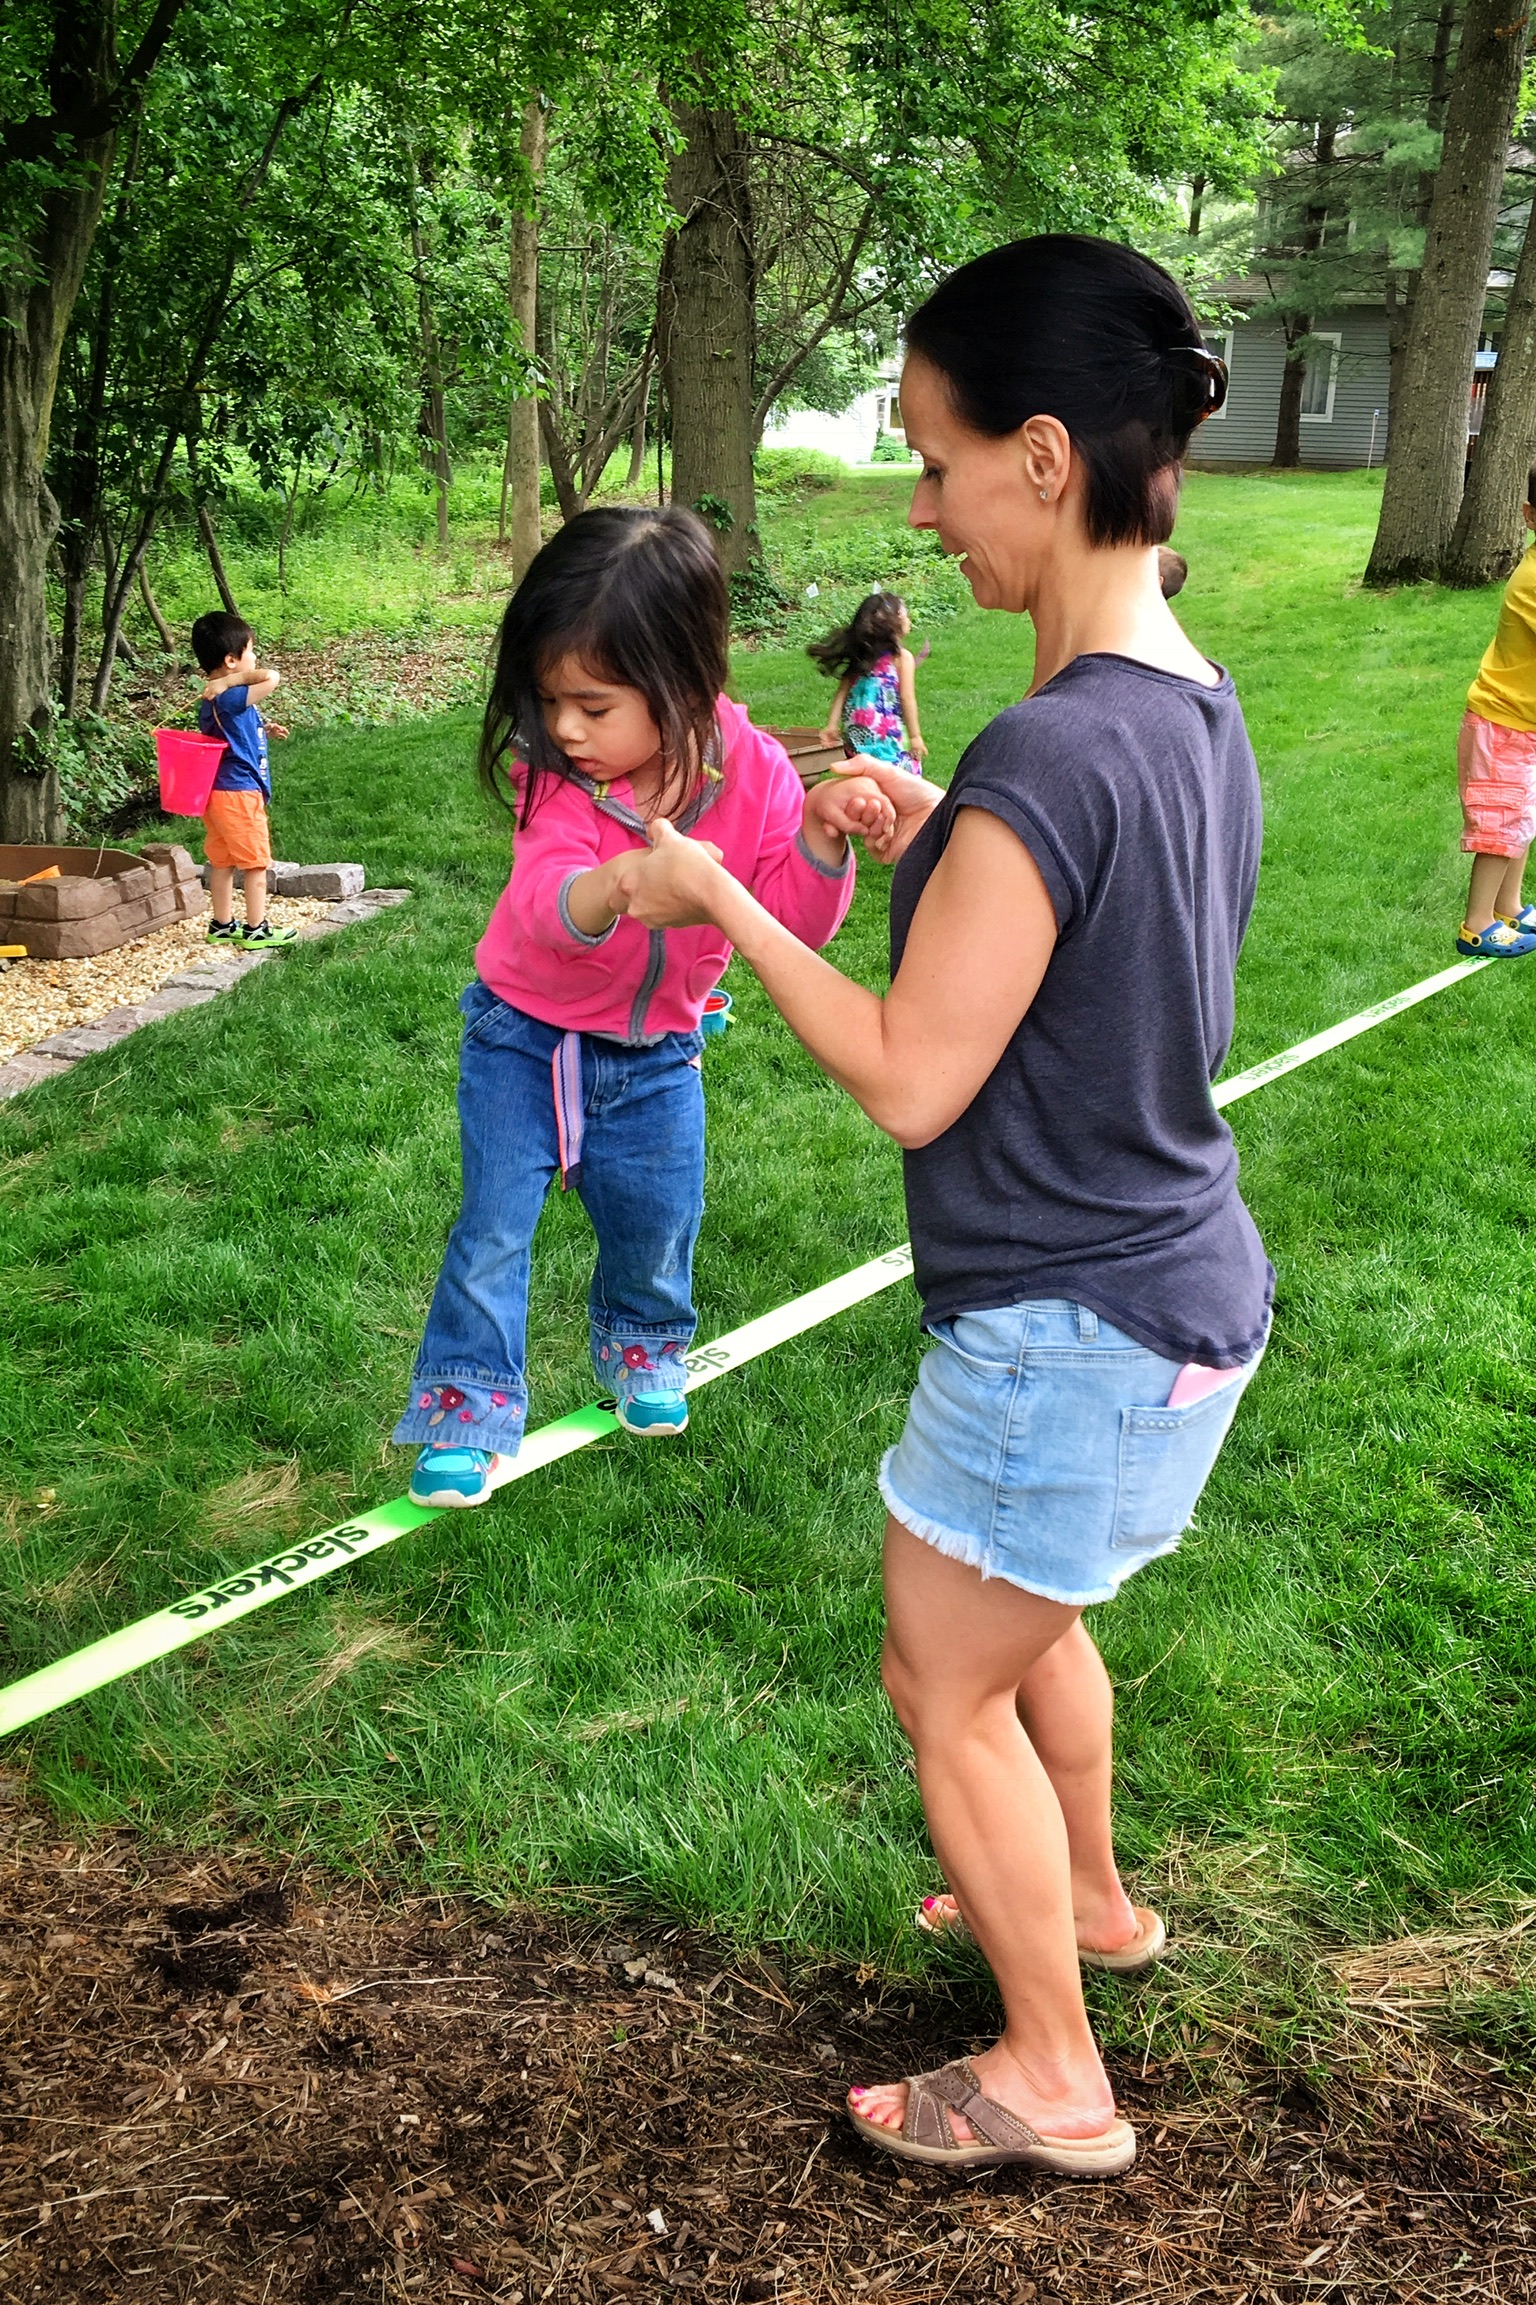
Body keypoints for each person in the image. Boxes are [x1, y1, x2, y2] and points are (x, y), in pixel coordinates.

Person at [619, 235, 1271, 2178]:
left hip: (1067, 1325)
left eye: (933, 457)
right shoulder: (1186, 708)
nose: (921, 507)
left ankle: (1053, 2072)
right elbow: (1101, 943)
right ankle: (1090, 1898)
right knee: (1027, 1614)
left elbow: (913, 1070)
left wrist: (722, 899)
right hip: (1181, 1299)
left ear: (1048, 457)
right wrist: (951, 851)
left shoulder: (1045, 751)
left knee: (939, 1674)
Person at [395, 506, 895, 1510]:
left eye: (592, 703)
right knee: (493, 1226)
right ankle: (466, 1411)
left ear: (684, 681)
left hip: (657, 1050)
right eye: (550, 701)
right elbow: (543, 906)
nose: (567, 728)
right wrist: (622, 883)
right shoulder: (559, 777)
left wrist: (824, 840)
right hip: (521, 1039)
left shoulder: (752, 772)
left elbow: (786, 919)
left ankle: (643, 1349)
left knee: (659, 1217)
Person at [1455, 474, 1536, 959]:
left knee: (1523, 819)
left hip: (1525, 723)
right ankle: (1477, 924)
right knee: (1500, 824)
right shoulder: (1531, 581)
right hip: (1502, 724)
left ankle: (1509, 906)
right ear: (1530, 515)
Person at [191, 612, 297, 948]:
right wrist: (230, 681)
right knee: (255, 863)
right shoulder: (228, 694)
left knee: (221, 861)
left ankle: (222, 924)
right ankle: (256, 928)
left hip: (218, 792)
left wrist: (263, 729)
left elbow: (231, 730)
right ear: (231, 660)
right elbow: (272, 677)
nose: (256, 659)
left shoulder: (221, 700)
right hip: (238, 790)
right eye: (251, 651)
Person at [812, 591, 927, 773]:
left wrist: (832, 725)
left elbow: (842, 692)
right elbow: (907, 698)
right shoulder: (901, 658)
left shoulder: (862, 657)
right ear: (894, 623)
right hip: (884, 729)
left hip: (855, 730)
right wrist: (915, 736)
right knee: (899, 772)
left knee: (864, 772)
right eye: (906, 615)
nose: (909, 620)